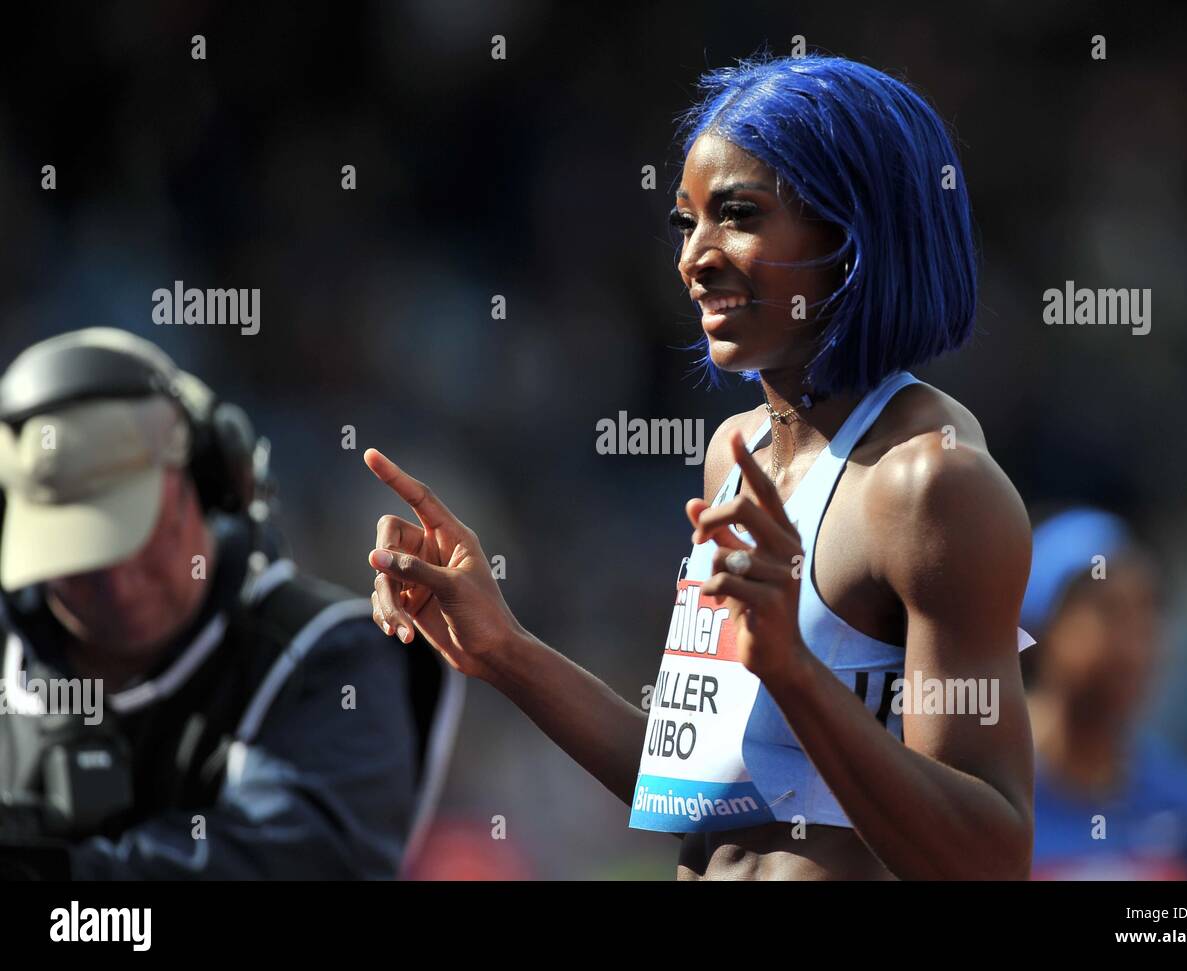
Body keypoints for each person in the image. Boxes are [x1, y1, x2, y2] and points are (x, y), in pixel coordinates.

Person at [367, 53, 1036, 879]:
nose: (695, 257)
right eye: (688, 222)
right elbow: (703, 792)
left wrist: (793, 669)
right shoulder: (735, 451)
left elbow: (989, 858)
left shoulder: (930, 485)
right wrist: (504, 647)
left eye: (739, 214)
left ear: (853, 232)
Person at [0, 327, 461, 879]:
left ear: (210, 482)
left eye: (141, 539)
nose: (119, 587)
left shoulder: (329, 659)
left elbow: (297, 863)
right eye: (79, 564)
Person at [1021, 507, 1187, 879]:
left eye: (1148, 613)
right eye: (1109, 612)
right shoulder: (988, 797)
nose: (1136, 646)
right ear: (1042, 629)